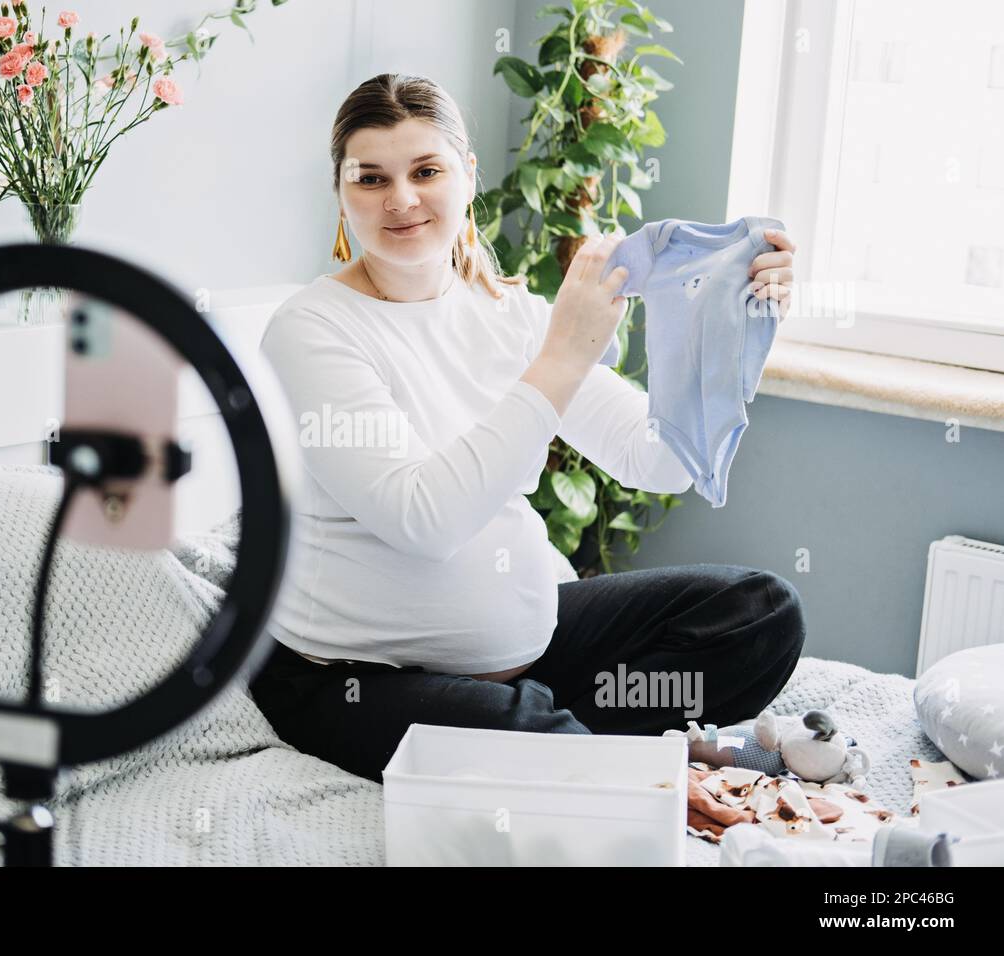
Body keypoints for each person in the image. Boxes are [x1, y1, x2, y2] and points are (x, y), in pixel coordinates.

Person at [247, 73, 804, 784]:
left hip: (528, 655)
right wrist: (564, 355)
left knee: (759, 614)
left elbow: (656, 459)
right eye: (371, 178)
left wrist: (737, 327)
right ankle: (571, 745)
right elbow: (425, 519)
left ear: (467, 175)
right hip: (356, 679)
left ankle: (555, 734)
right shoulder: (310, 330)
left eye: (426, 170)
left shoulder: (504, 310)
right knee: (526, 737)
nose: (401, 199)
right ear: (340, 193)